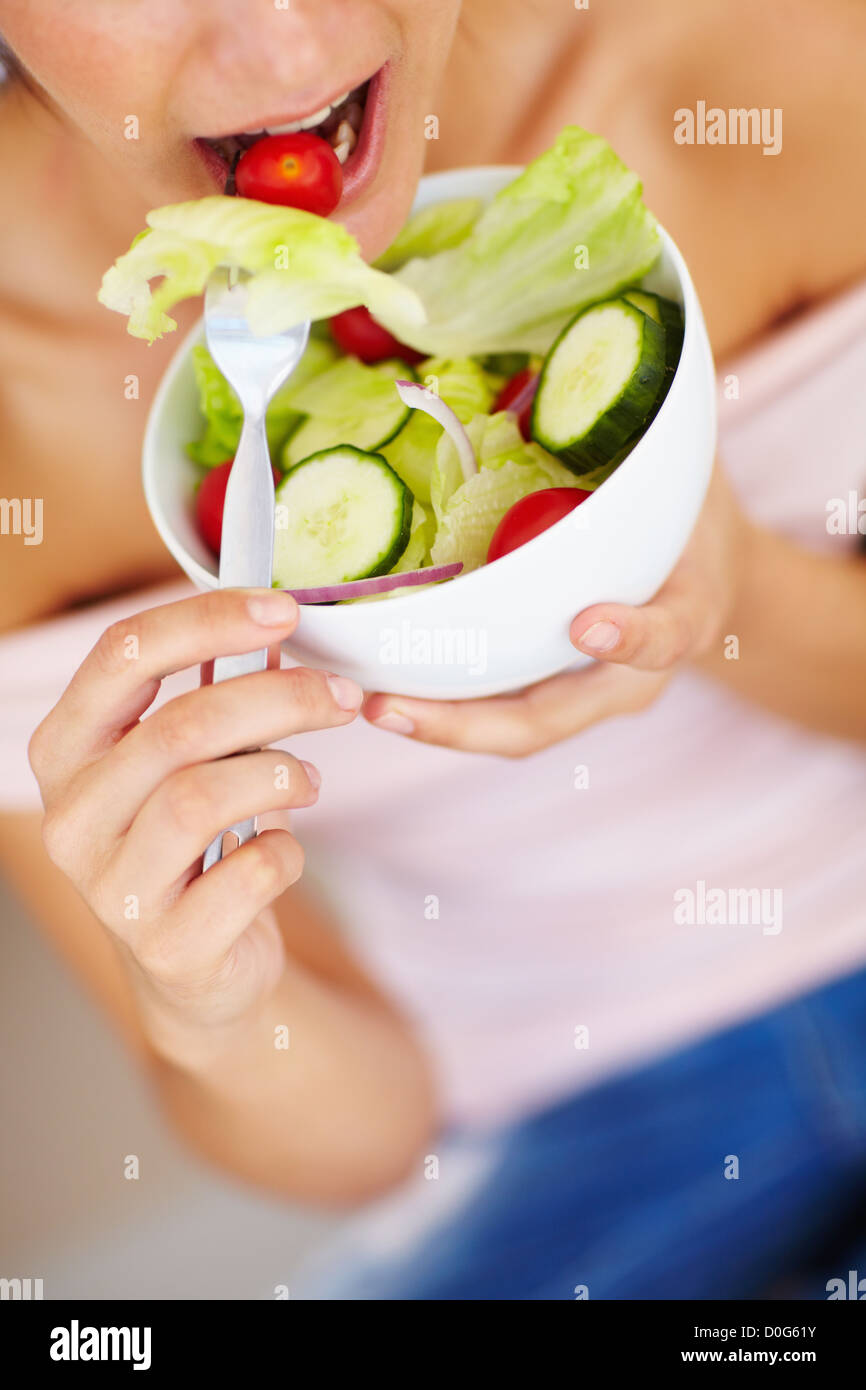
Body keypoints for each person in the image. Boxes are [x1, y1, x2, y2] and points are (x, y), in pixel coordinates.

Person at [1, 0, 866, 1299]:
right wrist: (212, 1003)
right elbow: (365, 1134)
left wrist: (735, 593)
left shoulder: (770, 48)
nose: (289, 49)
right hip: (567, 1122)